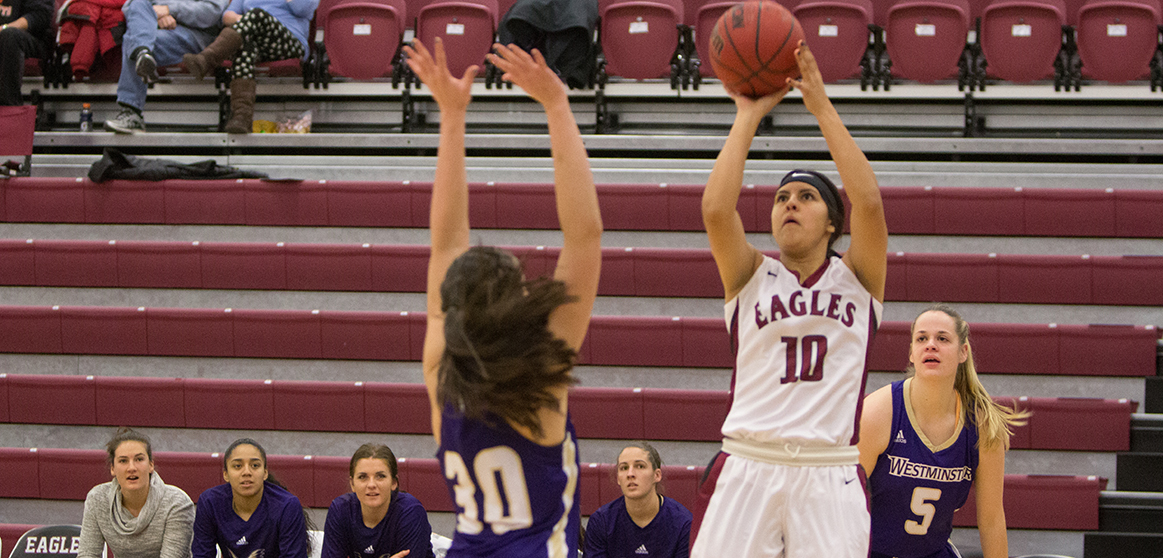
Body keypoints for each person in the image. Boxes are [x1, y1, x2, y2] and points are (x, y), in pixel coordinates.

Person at [404, 36, 602, 557]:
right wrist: (557, 105)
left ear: (449, 309)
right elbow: (585, 236)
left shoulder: (440, 376)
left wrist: (452, 116)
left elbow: (446, 242)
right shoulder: (540, 381)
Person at [691, 42, 887, 558]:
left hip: (829, 470)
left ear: (831, 223)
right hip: (748, 461)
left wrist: (820, 106)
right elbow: (715, 210)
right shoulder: (751, 274)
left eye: (805, 197)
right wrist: (747, 116)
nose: (789, 205)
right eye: (781, 198)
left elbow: (867, 201)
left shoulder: (859, 278)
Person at [858, 304, 1028, 558]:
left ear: (963, 352)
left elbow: (992, 519)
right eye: (922, 338)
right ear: (912, 353)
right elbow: (843, 504)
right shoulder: (878, 412)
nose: (931, 345)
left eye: (943, 338)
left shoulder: (981, 424)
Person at [181, 0, 318, 133]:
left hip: (290, 42)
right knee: (245, 46)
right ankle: (242, 118)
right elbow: (228, 16)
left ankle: (207, 59)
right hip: (257, 41)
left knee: (257, 15)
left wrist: (254, 20)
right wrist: (249, 23)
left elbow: (303, 8)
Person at [104, 0, 231, 133]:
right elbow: (129, 6)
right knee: (139, 7)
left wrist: (170, 10)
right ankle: (143, 52)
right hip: (157, 30)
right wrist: (155, 18)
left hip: (198, 34)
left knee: (134, 39)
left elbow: (212, 13)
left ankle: (132, 110)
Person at [78, 427, 196, 558]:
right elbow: (87, 554)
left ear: (151, 465)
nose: (132, 468)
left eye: (139, 459)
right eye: (123, 461)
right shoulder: (97, 499)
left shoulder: (176, 503)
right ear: (112, 468)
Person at [192, 438, 312, 558]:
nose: (247, 472)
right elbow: (202, 555)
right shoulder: (210, 503)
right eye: (237, 466)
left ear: (265, 473)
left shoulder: (287, 506)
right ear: (225, 474)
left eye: (255, 465)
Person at [322, 443, 435, 558]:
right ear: (352, 484)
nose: (371, 484)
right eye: (363, 477)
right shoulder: (340, 509)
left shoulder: (411, 512)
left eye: (380, 476)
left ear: (393, 483)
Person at [584, 442, 692, 558]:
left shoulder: (683, 523)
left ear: (657, 475)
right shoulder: (601, 522)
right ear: (618, 478)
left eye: (640, 466)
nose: (630, 474)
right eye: (624, 468)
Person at [0, 0, 52, 106]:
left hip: (30, 39)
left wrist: (4, 28)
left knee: (9, 36)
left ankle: (9, 109)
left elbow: (40, 16)